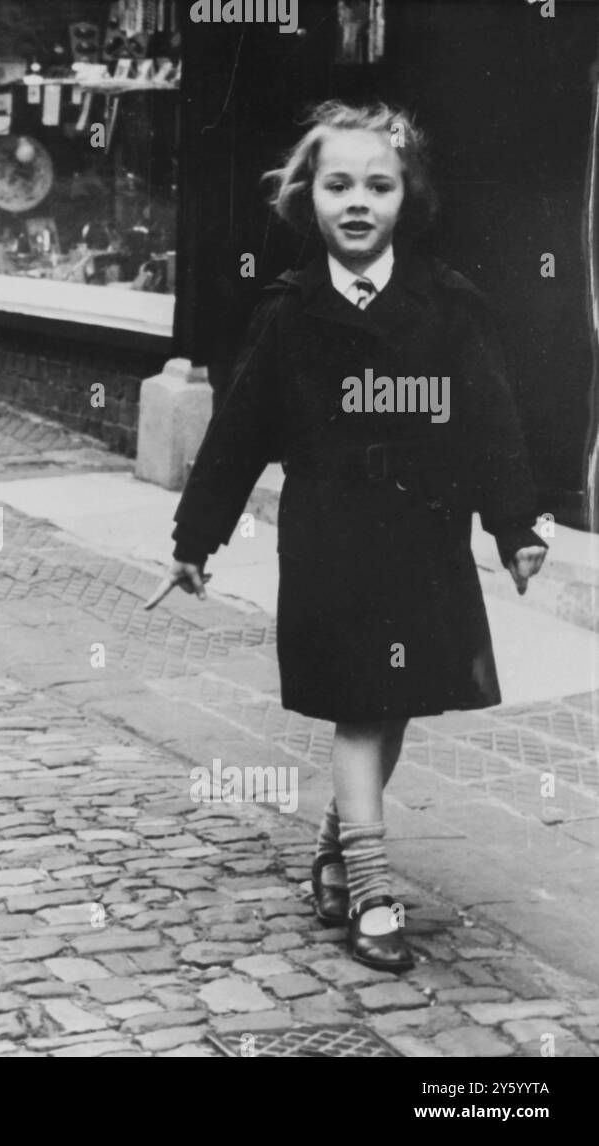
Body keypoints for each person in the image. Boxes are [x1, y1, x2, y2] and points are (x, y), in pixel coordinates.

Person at [148, 101, 548, 972]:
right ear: (308, 198)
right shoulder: (289, 313)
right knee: (363, 706)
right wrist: (196, 536)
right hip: (332, 538)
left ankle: (334, 850)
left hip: (423, 535)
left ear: (409, 197)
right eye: (339, 185)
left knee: (393, 702)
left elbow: (492, 424)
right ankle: (371, 892)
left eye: (379, 184)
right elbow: (239, 435)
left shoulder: (449, 305)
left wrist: (515, 524)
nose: (358, 201)